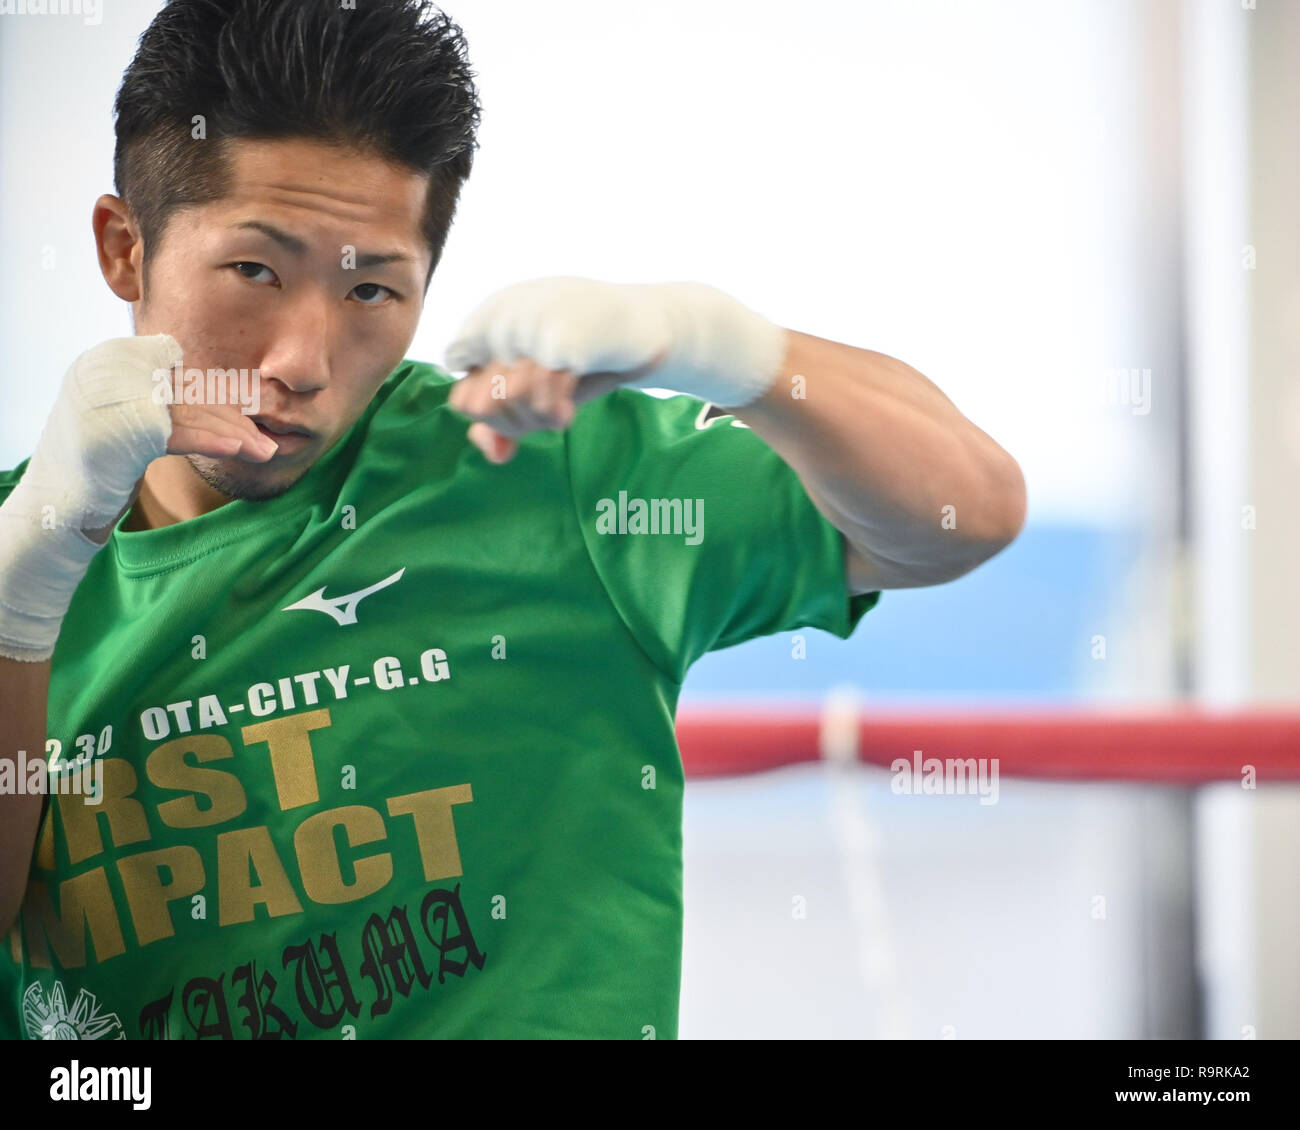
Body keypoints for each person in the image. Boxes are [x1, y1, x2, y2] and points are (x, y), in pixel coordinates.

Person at [0, 0, 1025, 1040]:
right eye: (256, 271)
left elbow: (962, 514)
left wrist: (716, 342)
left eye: (370, 289)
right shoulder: (11, 547)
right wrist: (21, 594)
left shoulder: (534, 466)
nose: (303, 359)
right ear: (125, 248)